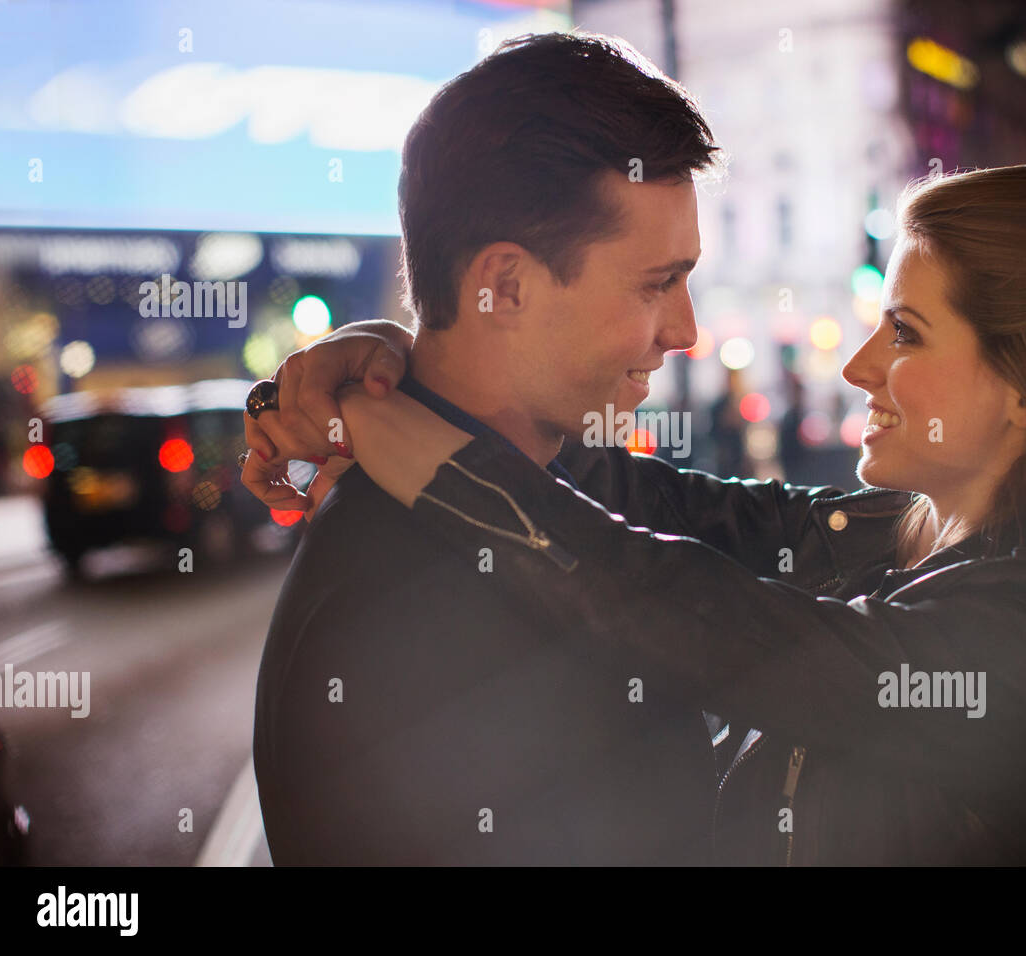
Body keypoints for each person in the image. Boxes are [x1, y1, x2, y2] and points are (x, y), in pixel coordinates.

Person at [247, 163, 1026, 865]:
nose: (857, 364)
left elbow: (688, 612)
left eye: (908, 332)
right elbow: (658, 506)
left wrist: (438, 465)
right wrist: (405, 366)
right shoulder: (909, 540)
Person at [245, 31, 731, 865]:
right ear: (503, 285)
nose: (685, 331)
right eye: (657, 284)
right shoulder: (396, 628)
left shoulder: (571, 476)